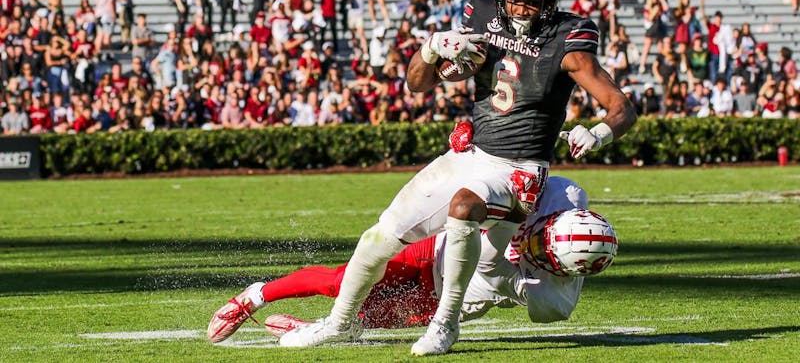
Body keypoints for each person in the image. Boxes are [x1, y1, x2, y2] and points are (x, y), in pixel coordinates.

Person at [276, 0, 636, 356]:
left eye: (531, 2)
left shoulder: (566, 39)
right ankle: (338, 324)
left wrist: (600, 132)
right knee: (378, 238)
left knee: (464, 207)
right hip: (470, 156)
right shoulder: (483, 15)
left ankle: (444, 324)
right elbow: (417, 83)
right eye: (513, 0)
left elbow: (621, 107)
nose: (520, 10)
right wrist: (430, 49)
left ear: (550, 1)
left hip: (519, 170)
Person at [207, 175, 616, 343]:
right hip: (439, 246)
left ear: (563, 270)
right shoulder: (563, 194)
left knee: (367, 320)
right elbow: (506, 175)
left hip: (458, 296)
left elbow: (490, 261)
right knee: (345, 281)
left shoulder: (553, 301)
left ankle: (324, 326)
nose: (534, 247)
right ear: (559, 219)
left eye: (543, 254)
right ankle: (255, 296)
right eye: (543, 238)